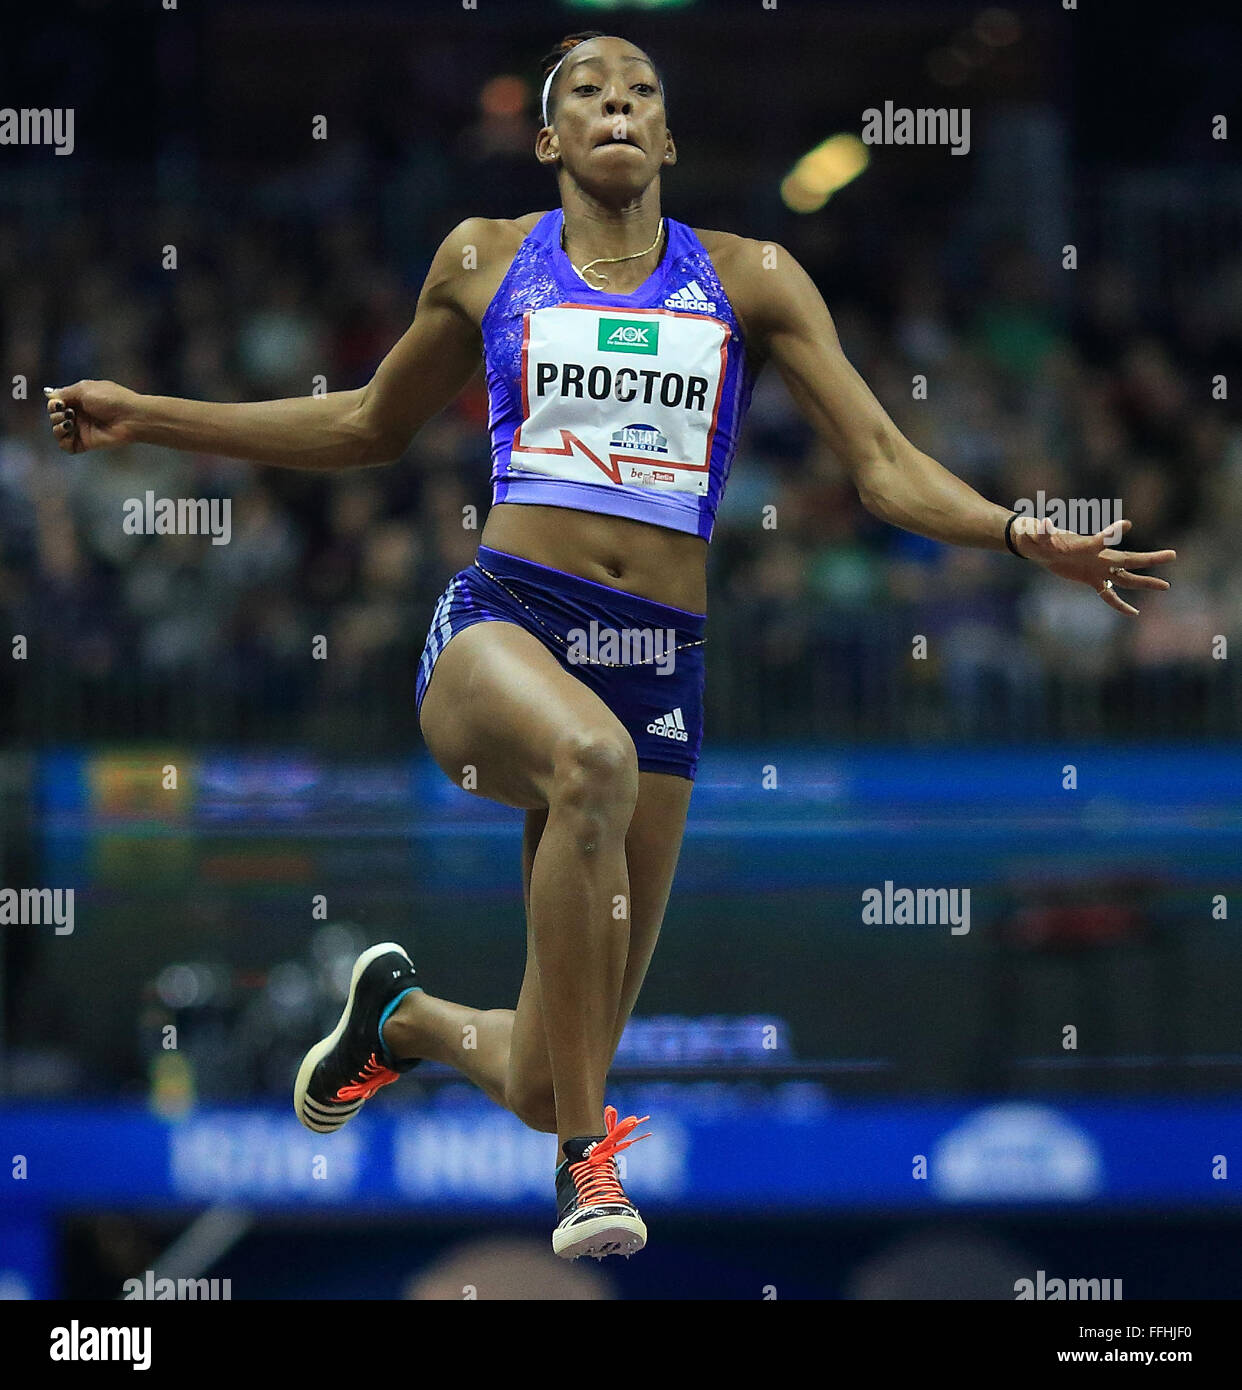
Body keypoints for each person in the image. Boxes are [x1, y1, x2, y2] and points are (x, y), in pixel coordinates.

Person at [44, 30, 1176, 1261]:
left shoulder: (752, 278)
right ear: (550, 139)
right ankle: (588, 1165)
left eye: (643, 91)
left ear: (672, 139)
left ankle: (402, 1020)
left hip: (662, 670)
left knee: (544, 1065)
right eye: (588, 92)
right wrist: (149, 415)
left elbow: (887, 468)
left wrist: (1021, 532)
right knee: (589, 764)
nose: (618, 103)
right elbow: (368, 423)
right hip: (502, 630)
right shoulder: (486, 258)